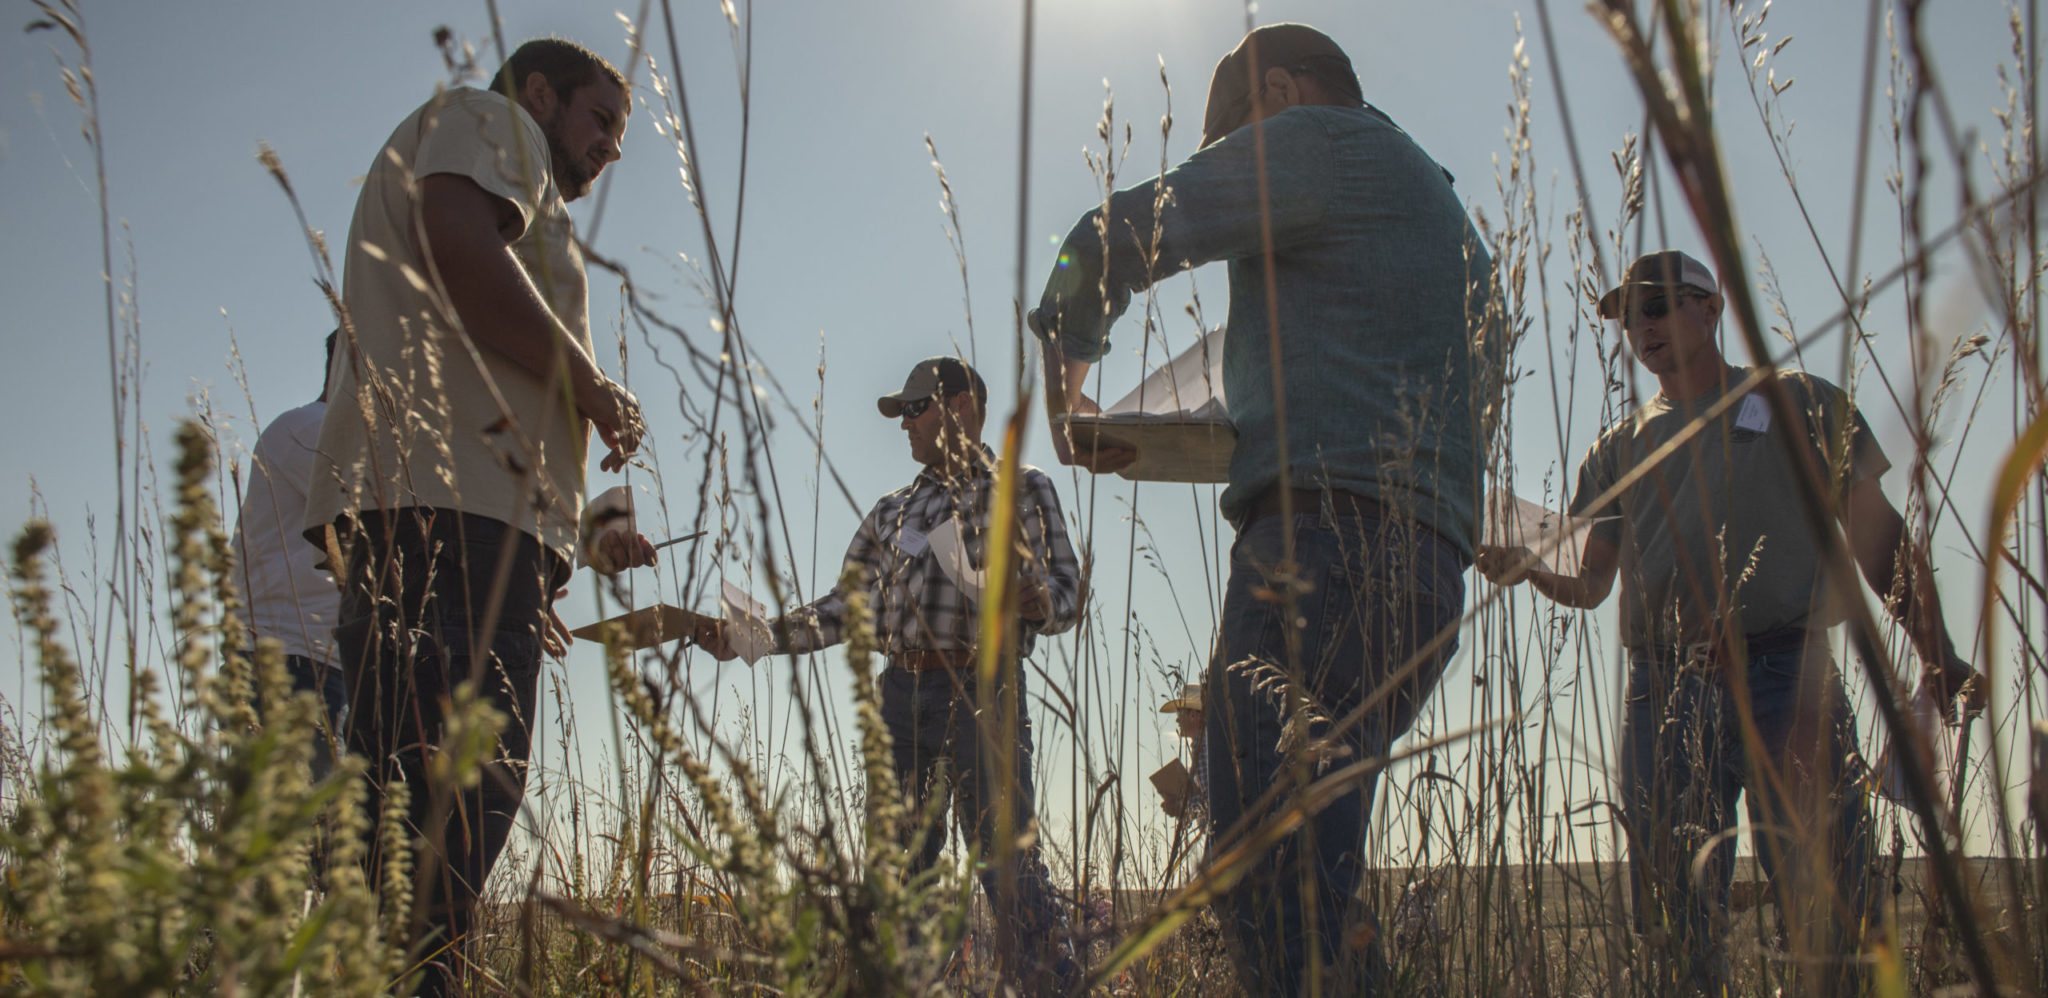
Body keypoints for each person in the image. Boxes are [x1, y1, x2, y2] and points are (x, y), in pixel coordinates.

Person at [1028, 22, 1495, 994]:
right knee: (1311, 884)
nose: (1229, 162)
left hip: (1321, 555)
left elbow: (1105, 238)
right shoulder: (1436, 207)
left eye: (1228, 140)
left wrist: (1064, 396)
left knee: (1265, 880)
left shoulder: (1316, 140)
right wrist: (1176, 447)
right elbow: (1363, 412)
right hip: (1418, 566)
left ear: (1278, 91)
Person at [1474, 250, 1983, 997]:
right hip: (1662, 694)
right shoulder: (1614, 449)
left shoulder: (1799, 402)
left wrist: (1938, 655)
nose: (1640, 326)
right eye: (1627, 315)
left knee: (1831, 911)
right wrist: (1529, 569)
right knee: (1678, 925)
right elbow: (1590, 584)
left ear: (1710, 310)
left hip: (1789, 678)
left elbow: (1880, 541)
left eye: (1657, 305)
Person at [303, 38, 656, 997]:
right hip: (445, 520)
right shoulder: (492, 120)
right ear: (539, 92)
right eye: (600, 121)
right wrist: (591, 384)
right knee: (440, 841)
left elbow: (507, 382)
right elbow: (453, 241)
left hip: (469, 527)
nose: (609, 148)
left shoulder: (528, 198)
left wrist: (585, 534)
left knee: (429, 842)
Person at [697, 356, 1083, 994]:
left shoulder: (1023, 486)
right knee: (902, 880)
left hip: (982, 692)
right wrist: (752, 636)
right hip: (899, 699)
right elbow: (844, 609)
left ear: (960, 407)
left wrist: (1039, 601)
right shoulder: (892, 510)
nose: (903, 426)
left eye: (913, 410)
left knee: (1007, 867)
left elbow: (1067, 589)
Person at [233, 331, 347, 780]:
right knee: (304, 832)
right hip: (291, 663)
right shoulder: (312, 430)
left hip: (319, 663)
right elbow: (386, 530)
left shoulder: (325, 434)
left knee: (324, 836)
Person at [1155, 684, 1207, 823]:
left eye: (1180, 713)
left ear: (1193, 715)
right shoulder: (1201, 746)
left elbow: (1210, 801)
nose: (1177, 719)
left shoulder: (1203, 747)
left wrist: (1180, 808)